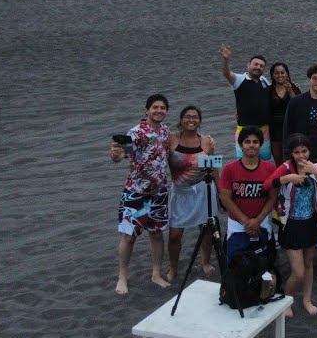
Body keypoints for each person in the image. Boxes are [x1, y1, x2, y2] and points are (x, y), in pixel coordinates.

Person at [109, 94, 174, 294]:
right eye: (155, 107)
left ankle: (156, 273)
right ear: (147, 110)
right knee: (129, 236)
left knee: (156, 234)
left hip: (160, 192)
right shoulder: (136, 133)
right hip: (136, 193)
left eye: (163, 108)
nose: (159, 111)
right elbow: (120, 154)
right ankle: (122, 277)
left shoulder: (165, 132)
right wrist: (116, 155)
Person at [268, 134, 317, 317]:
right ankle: (287, 300)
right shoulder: (285, 168)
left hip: (310, 222)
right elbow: (267, 184)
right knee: (298, 271)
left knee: (309, 264)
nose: (301, 156)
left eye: (304, 151)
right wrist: (287, 178)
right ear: (291, 153)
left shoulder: (314, 167)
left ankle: (307, 300)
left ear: (309, 151)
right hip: (291, 224)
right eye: (297, 152)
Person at [166, 105, 217, 280]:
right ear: (181, 120)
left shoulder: (206, 141)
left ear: (200, 121)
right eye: (187, 116)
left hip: (203, 190)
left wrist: (220, 191)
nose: (191, 120)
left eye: (195, 117)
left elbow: (212, 166)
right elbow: (155, 160)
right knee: (174, 235)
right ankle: (173, 268)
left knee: (207, 230)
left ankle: (205, 262)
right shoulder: (171, 140)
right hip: (180, 192)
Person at [217, 127, 277, 260]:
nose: (251, 145)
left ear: (260, 145)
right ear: (241, 145)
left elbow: (273, 197)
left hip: (262, 224)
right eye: (247, 141)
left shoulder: (270, 168)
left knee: (264, 267)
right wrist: (246, 222)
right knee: (236, 267)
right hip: (237, 226)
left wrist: (258, 220)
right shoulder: (229, 169)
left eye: (255, 142)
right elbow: (225, 198)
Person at [219, 44, 272, 162]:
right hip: (244, 129)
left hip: (264, 130)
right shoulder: (239, 79)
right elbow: (227, 74)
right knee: (243, 161)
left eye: (261, 66)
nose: (258, 67)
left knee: (264, 162)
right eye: (256, 64)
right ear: (249, 65)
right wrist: (226, 60)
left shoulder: (264, 81)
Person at [268, 62, 302, 165]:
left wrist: (290, 91)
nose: (280, 75)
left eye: (283, 72)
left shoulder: (294, 88)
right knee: (278, 161)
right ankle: (281, 180)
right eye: (276, 73)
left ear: (287, 74)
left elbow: (299, 106)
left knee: (292, 159)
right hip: (274, 129)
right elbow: (260, 106)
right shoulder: (268, 90)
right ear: (272, 75)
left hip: (291, 127)